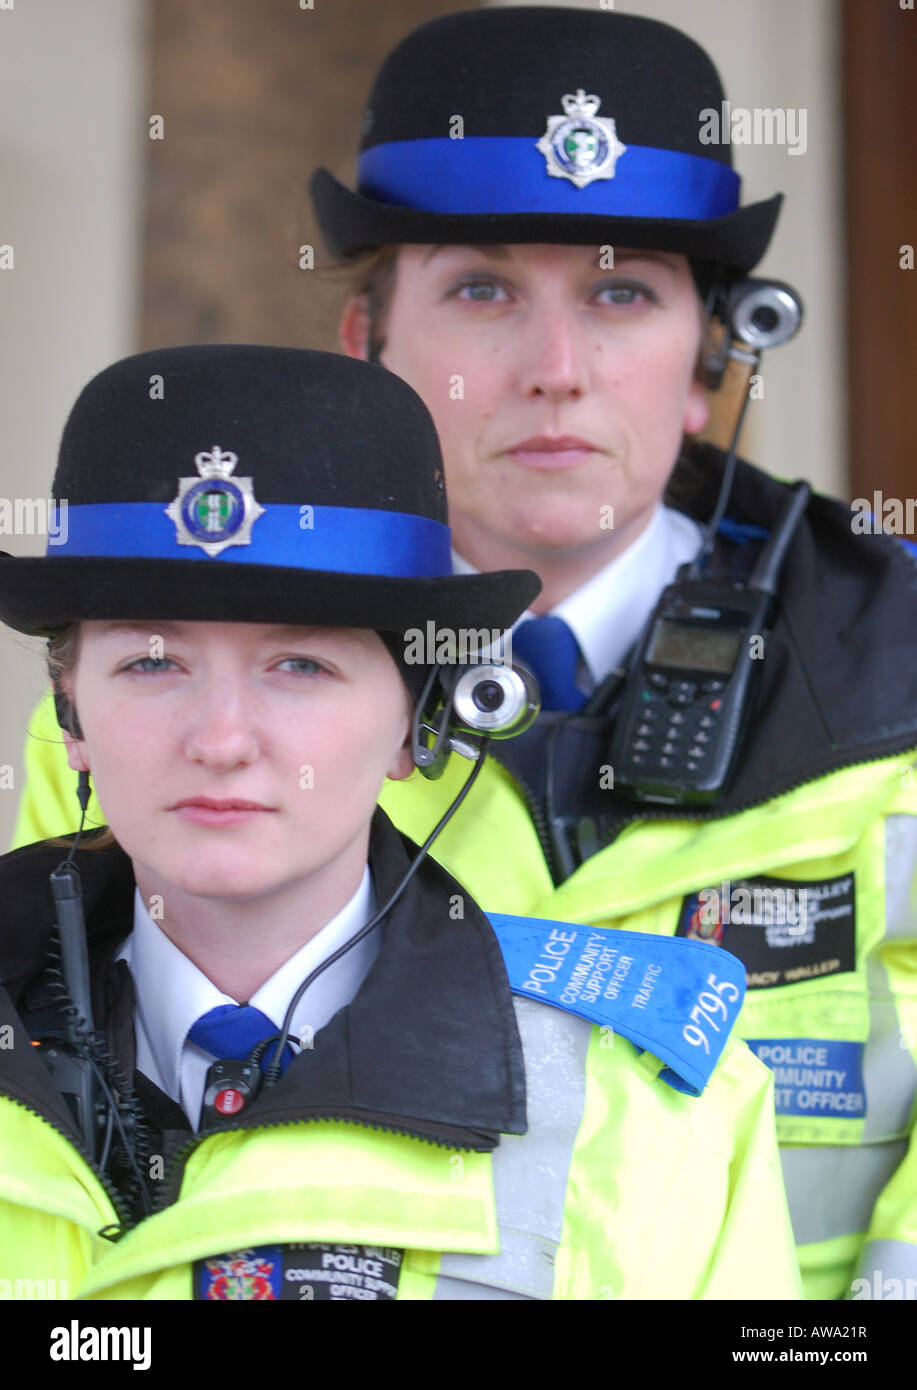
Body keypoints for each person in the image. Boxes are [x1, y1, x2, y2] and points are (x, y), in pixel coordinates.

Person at [12, 8, 917, 1301]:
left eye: (619, 291)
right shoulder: (140, 719)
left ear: (713, 359)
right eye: (483, 288)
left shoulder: (899, 674)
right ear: (365, 343)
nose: (555, 370)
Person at [0, 343, 800, 1301]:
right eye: (152, 663)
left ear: (415, 726)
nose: (220, 740)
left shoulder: (646, 1113)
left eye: (301, 666)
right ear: (72, 714)